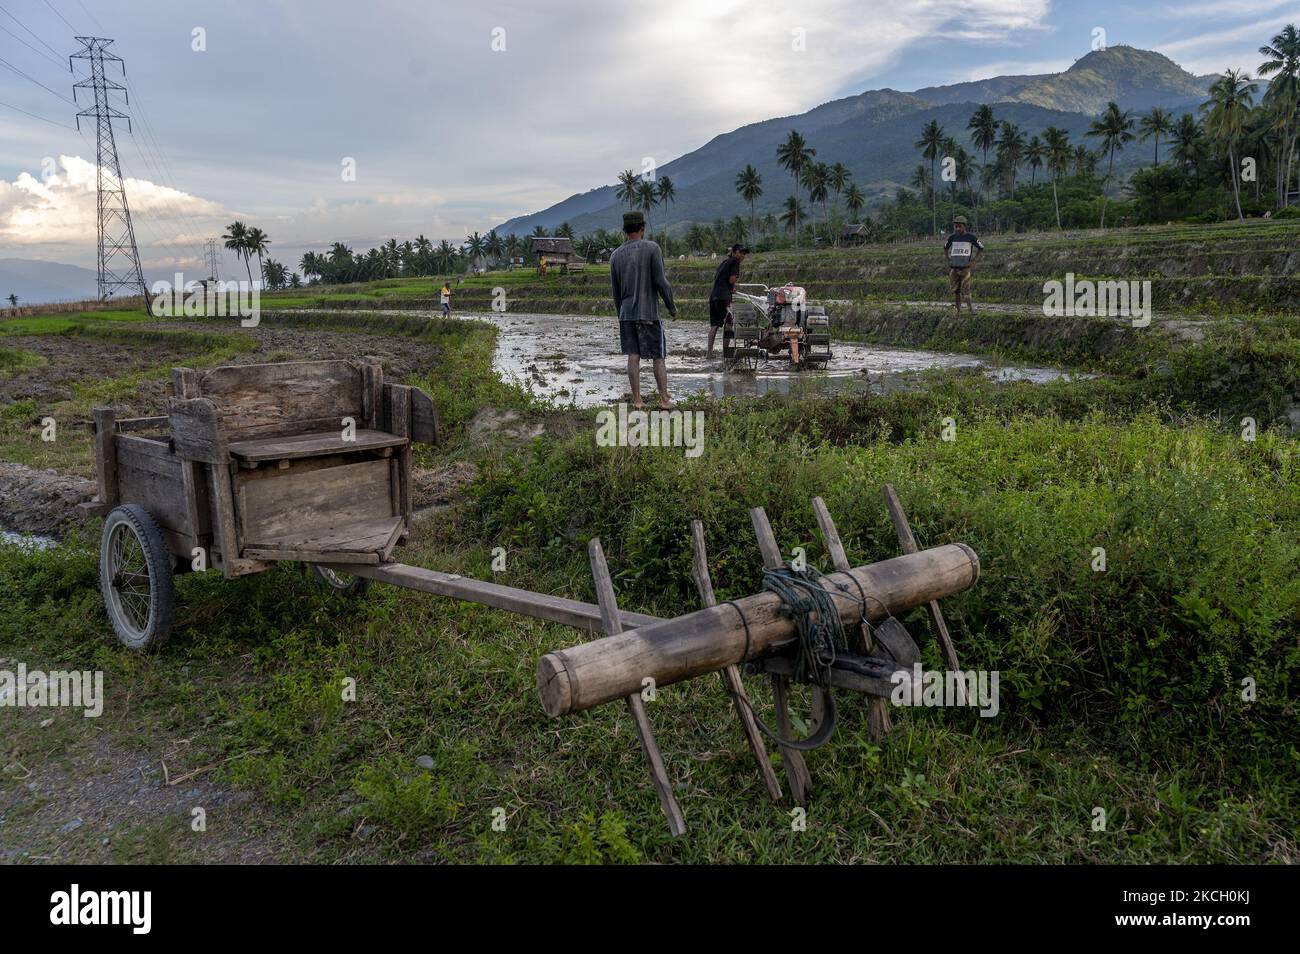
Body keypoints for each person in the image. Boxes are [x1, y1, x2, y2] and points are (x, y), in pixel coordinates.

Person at [609, 210, 678, 408]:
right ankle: (664, 399)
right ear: (642, 228)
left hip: (626, 314)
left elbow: (616, 292)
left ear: (625, 231)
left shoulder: (615, 256)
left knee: (633, 355)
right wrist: (671, 308)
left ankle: (637, 400)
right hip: (648, 312)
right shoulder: (652, 248)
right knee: (658, 356)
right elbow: (661, 283)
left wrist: (620, 315)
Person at [707, 243, 748, 356]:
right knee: (729, 323)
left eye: (744, 253)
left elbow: (720, 278)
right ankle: (726, 352)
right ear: (734, 253)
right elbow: (731, 280)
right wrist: (732, 287)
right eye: (741, 252)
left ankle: (709, 353)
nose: (743, 255)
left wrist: (731, 287)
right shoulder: (735, 261)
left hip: (714, 296)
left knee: (714, 325)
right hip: (724, 297)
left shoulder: (724, 262)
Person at [944, 215, 984, 314]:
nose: (957, 228)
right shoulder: (952, 237)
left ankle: (971, 309)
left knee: (966, 289)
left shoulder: (970, 237)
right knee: (956, 291)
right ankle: (958, 310)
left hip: (965, 268)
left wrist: (973, 260)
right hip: (954, 268)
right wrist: (948, 258)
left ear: (964, 226)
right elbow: (945, 248)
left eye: (959, 226)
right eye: (956, 226)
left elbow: (981, 248)